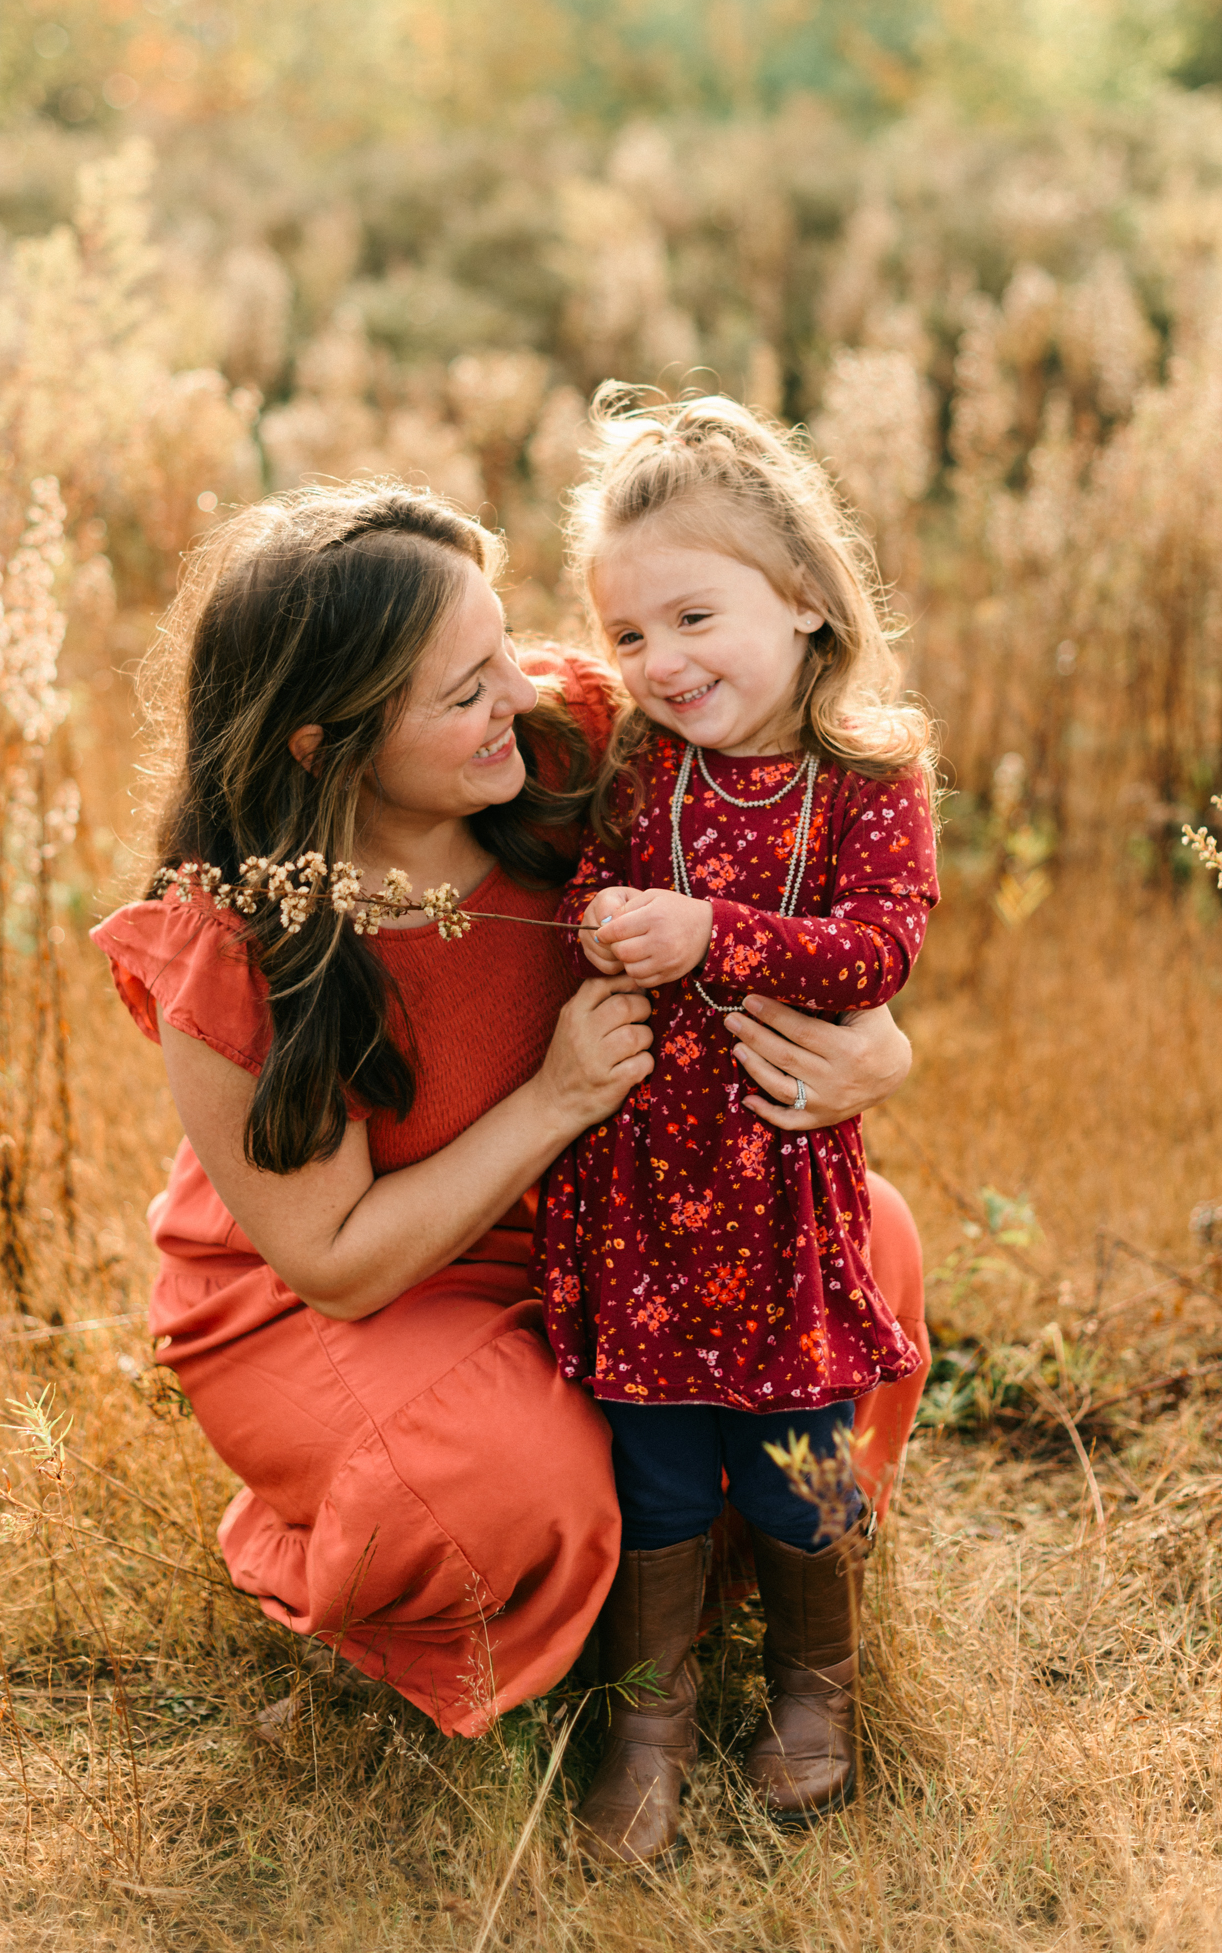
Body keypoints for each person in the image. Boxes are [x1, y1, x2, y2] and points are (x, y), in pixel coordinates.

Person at [88, 480, 928, 1751]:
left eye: (502, 648)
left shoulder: (576, 734)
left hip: (605, 1219)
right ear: (327, 744)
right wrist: (558, 1099)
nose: (526, 693)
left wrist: (878, 1051)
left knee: (871, 1241)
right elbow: (334, 1263)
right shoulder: (239, 934)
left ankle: (713, 1596)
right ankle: (394, 1589)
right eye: (467, 687)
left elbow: (833, 879)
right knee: (495, 1476)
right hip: (350, 1291)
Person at [537, 390, 939, 1864]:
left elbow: (877, 952)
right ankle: (649, 1717)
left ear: (807, 605)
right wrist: (609, 925)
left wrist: (711, 930)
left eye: (695, 617)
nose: (662, 663)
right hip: (644, 1182)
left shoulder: (867, 779)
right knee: (652, 1461)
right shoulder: (642, 768)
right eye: (630, 636)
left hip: (778, 1181)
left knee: (800, 1447)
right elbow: (586, 893)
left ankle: (815, 1685)